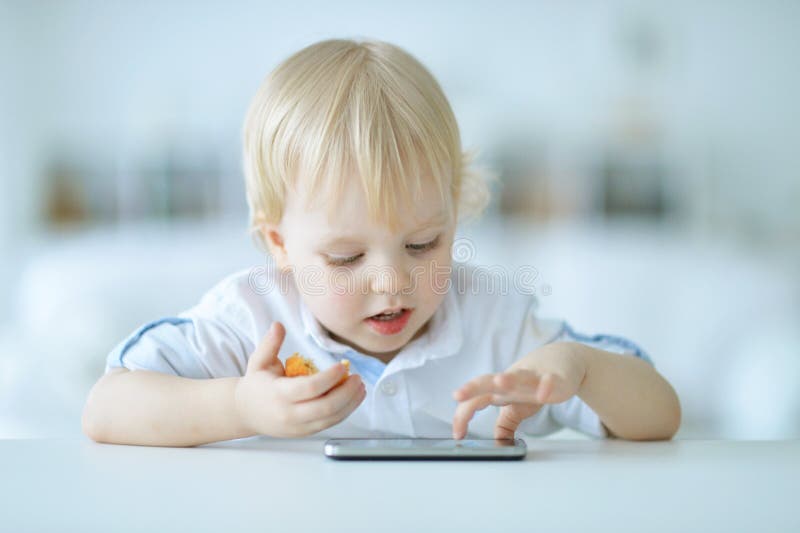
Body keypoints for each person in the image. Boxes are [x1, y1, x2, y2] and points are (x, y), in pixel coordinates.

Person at [82, 38, 680, 447]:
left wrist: (580, 369)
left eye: (423, 244)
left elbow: (661, 417)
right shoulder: (248, 321)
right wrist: (239, 405)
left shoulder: (497, 327)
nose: (392, 281)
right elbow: (105, 409)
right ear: (279, 244)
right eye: (346, 257)